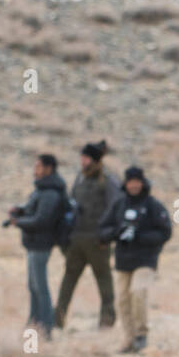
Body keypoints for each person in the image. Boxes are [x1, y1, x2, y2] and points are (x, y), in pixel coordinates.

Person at [98, 166, 171, 354]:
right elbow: (102, 230)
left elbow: (165, 231)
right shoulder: (119, 204)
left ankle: (141, 335)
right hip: (123, 260)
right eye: (130, 182)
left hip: (146, 259)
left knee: (138, 292)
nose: (134, 185)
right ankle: (129, 339)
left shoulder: (152, 205)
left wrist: (140, 235)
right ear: (126, 183)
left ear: (142, 182)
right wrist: (117, 233)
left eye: (137, 181)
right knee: (123, 299)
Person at [55, 140, 122, 329]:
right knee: (68, 279)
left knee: (104, 281)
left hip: (97, 241)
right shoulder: (80, 179)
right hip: (76, 239)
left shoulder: (108, 181)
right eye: (82, 158)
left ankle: (107, 321)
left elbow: (116, 208)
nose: (83, 161)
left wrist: (107, 236)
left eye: (86, 158)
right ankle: (58, 319)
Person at [5, 154, 68, 339]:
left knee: (40, 287)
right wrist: (20, 211)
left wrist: (19, 221)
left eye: (39, 166)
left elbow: (42, 220)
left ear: (49, 168)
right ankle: (34, 324)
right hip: (33, 244)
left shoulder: (50, 192)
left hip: (41, 245)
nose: (36, 170)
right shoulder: (41, 189)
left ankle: (46, 329)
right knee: (33, 286)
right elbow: (34, 210)